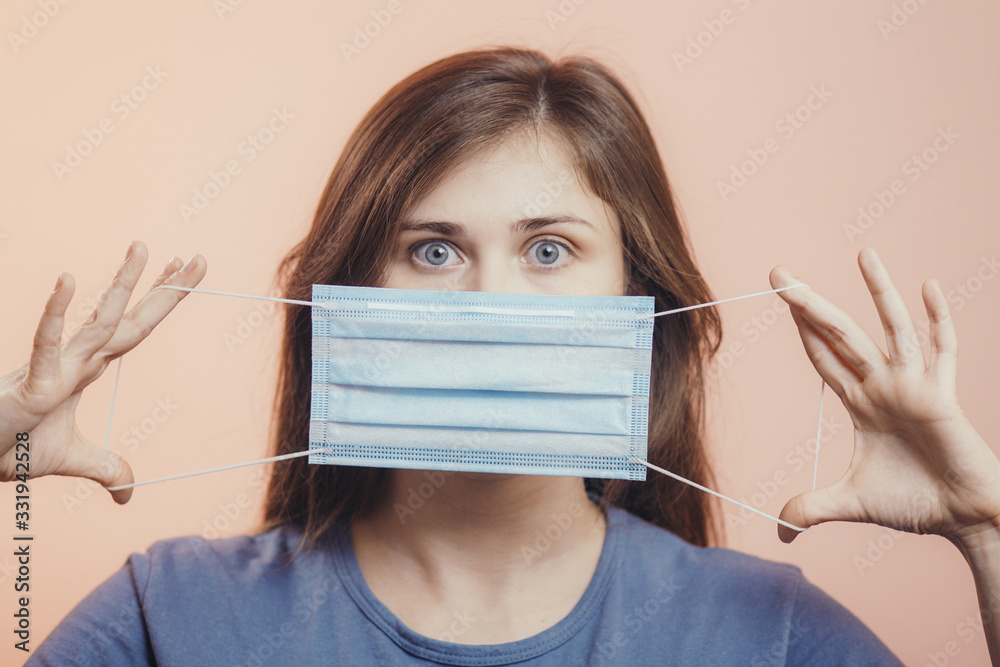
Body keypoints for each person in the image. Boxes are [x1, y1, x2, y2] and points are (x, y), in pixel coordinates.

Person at [6, 46, 999, 665]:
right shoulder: (169, 616)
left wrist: (989, 537)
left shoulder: (764, 636)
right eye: (432, 250)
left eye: (549, 249)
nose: (486, 300)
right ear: (349, 294)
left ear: (637, 299)